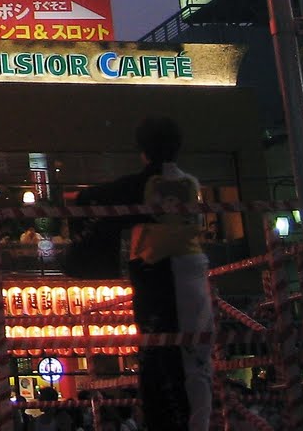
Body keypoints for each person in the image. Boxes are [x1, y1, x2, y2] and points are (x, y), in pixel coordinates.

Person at [85, 116, 212, 431]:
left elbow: (93, 198)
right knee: (193, 356)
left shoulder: (146, 184)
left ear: (142, 150)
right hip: (191, 271)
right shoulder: (190, 183)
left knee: (163, 355)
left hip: (160, 272)